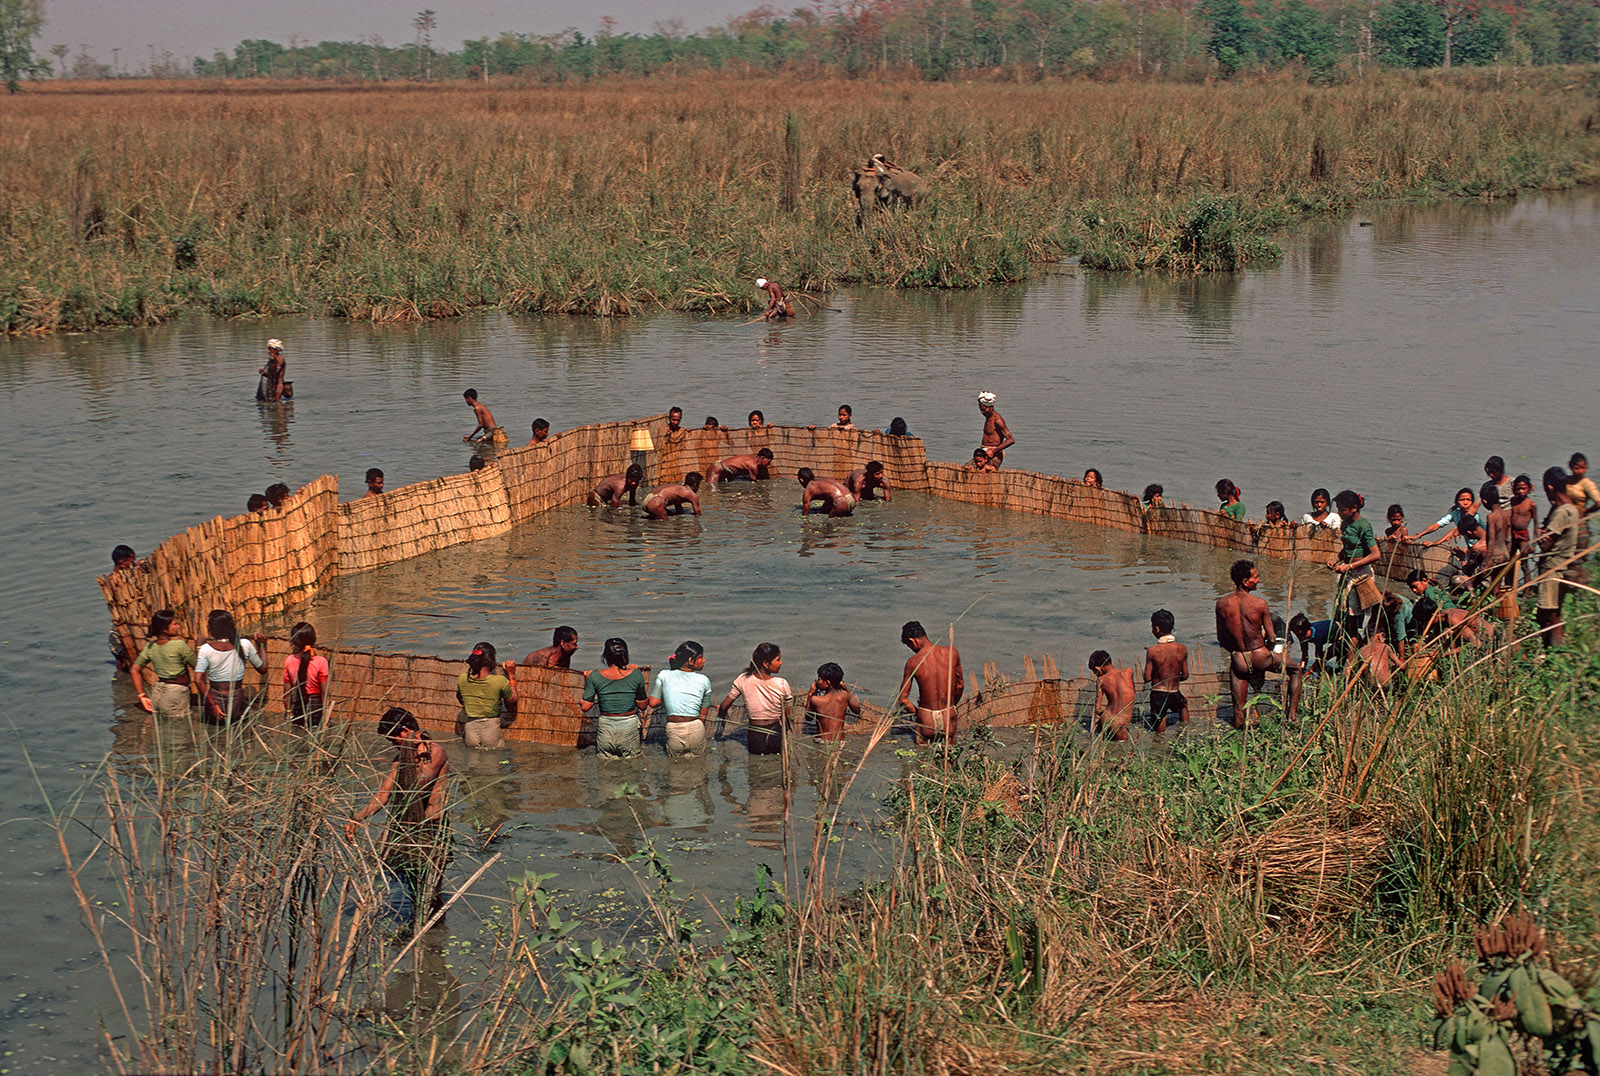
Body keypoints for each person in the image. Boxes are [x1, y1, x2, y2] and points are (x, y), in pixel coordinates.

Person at [345, 707, 450, 928]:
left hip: (433, 827)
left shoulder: (435, 752)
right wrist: (357, 819)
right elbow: (383, 794)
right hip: (410, 829)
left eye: (394, 740)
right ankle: (418, 928)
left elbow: (417, 786)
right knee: (415, 886)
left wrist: (410, 758)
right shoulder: (400, 759)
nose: (394, 745)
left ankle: (435, 933)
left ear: (404, 731)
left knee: (431, 887)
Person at [1214, 560, 1299, 727]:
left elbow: (1221, 638)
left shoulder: (1221, 603)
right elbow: (1272, 637)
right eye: (1256, 577)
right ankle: (1292, 717)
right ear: (1245, 581)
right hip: (1261, 655)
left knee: (1238, 713)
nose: (1258, 580)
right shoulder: (1260, 603)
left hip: (1239, 658)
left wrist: (1237, 652)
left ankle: (1241, 728)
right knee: (1296, 670)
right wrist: (1267, 652)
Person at [1536, 467, 1583, 648]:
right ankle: (1551, 649)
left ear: (1550, 487)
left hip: (1552, 568)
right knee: (1551, 612)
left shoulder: (1561, 513)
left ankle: (1554, 652)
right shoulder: (1572, 509)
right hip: (1563, 565)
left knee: (1550, 614)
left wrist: (1539, 534)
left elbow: (1545, 545)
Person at [193, 608, 266, 725]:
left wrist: (213, 705)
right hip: (237, 703)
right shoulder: (245, 644)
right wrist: (262, 645)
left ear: (211, 629)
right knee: (238, 732)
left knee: (214, 734)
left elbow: (198, 679)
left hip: (215, 703)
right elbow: (263, 668)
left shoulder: (205, 649)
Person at [718, 642, 792, 755]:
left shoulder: (743, 679)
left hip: (755, 736)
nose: (780, 662)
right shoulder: (781, 683)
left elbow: (724, 706)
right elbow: (788, 713)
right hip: (776, 734)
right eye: (778, 660)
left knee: (755, 759)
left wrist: (722, 714)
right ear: (766, 663)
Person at [897, 621, 964, 745]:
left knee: (921, 755)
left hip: (926, 720)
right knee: (950, 753)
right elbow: (960, 686)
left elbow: (903, 699)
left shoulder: (912, 662)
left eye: (910, 647)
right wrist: (951, 706)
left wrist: (918, 713)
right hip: (947, 717)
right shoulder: (952, 653)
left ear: (913, 641)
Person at [581, 638, 649, 758]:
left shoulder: (594, 676)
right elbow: (642, 706)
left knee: (605, 765)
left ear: (605, 657)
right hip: (628, 728)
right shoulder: (636, 675)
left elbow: (585, 706)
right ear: (625, 656)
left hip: (606, 728)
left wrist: (587, 683)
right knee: (632, 765)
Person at [1328, 489, 1382, 637]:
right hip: (1348, 573)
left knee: (1357, 617)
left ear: (1354, 508)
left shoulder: (1363, 526)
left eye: (1342, 510)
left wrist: (1350, 566)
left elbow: (1375, 554)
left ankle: (1359, 642)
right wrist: (1336, 560)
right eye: (1338, 509)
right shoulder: (1345, 524)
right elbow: (1348, 548)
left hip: (1361, 576)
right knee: (1344, 612)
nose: (1339, 513)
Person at [650, 641, 715, 758]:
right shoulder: (704, 680)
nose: (704, 660)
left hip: (674, 729)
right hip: (696, 728)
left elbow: (653, 702)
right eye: (700, 657)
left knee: (674, 766)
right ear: (690, 660)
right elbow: (704, 711)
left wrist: (668, 696)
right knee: (698, 764)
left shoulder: (664, 675)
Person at [133, 609, 196, 719]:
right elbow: (198, 666)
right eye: (175, 624)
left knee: (162, 725)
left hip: (158, 693)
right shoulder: (179, 645)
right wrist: (200, 644)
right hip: (175, 694)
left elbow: (134, 670)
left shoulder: (150, 647)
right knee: (180, 726)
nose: (178, 626)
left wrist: (141, 696)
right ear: (164, 629)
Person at [456, 642, 517, 749]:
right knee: (494, 758)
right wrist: (511, 676)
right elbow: (513, 699)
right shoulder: (499, 681)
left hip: (470, 731)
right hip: (490, 731)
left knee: (472, 758)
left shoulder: (462, 679)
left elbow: (461, 700)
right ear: (492, 661)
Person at [1142, 610, 1189, 733]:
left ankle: (1159, 741)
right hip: (1175, 691)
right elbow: (1185, 675)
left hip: (1159, 693)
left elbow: (1147, 677)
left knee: (1160, 719)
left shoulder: (1153, 651)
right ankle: (1185, 733)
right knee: (1183, 705)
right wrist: (1173, 678)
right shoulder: (1182, 649)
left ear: (1157, 629)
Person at [282, 621, 330, 728]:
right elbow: (324, 691)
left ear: (294, 641)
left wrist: (288, 711)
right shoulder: (321, 661)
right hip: (316, 709)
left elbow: (287, 691)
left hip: (297, 708)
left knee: (297, 732)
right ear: (313, 639)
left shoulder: (289, 660)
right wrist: (326, 715)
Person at [805, 663, 862, 741]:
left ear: (827, 683)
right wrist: (846, 689)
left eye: (819, 679)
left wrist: (810, 694)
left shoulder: (816, 700)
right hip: (840, 741)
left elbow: (808, 717)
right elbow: (857, 709)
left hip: (822, 741)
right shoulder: (844, 696)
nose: (816, 682)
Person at [1089, 651, 1135, 741]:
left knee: (1106, 746)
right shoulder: (1128, 672)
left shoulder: (1101, 680)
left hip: (1106, 718)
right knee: (1121, 747)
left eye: (1094, 672)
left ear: (1098, 669)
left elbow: (1097, 709)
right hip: (1120, 723)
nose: (1096, 675)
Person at [1415, 488, 1480, 546]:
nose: (1465, 503)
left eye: (1468, 500)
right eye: (1462, 500)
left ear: (1472, 502)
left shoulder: (1474, 516)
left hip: (1481, 546)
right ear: (1456, 502)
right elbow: (1436, 525)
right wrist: (1419, 535)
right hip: (1471, 547)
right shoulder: (1455, 514)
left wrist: (1436, 543)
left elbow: (1456, 530)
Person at [976, 391, 1014, 466]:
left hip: (994, 454)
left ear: (991, 407)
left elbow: (1011, 440)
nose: (982, 412)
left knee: (990, 471)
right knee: (966, 468)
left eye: (984, 409)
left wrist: (994, 451)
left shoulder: (997, 420)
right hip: (983, 452)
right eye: (980, 409)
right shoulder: (988, 418)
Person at [707, 448, 774, 484]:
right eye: (768, 461)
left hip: (721, 469)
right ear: (762, 458)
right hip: (716, 469)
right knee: (712, 492)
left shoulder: (752, 457)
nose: (769, 464)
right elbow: (754, 482)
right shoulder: (753, 466)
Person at [1570, 453, 1600, 517]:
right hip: (1562, 516)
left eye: (1583, 468)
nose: (1581, 471)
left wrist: (1585, 511)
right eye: (1577, 468)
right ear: (1570, 467)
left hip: (1577, 518)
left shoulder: (1587, 484)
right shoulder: (1565, 480)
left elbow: (1599, 504)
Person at [257, 338, 286, 403]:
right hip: (273, 384)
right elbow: (271, 374)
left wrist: (265, 373)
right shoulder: (274, 358)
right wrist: (263, 373)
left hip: (278, 385)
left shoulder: (279, 359)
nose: (269, 351)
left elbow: (275, 373)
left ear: (276, 350)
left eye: (270, 350)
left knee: (276, 402)